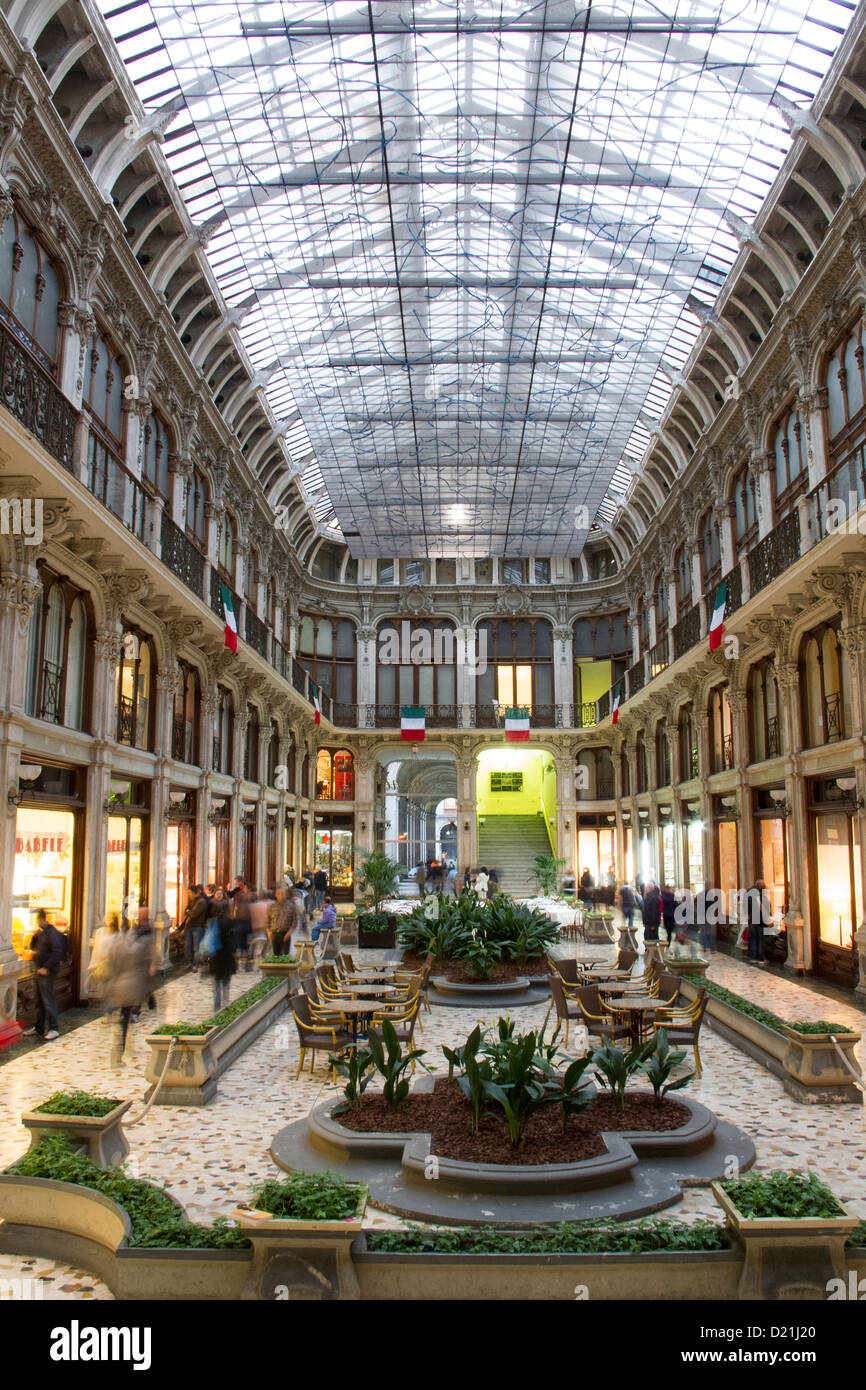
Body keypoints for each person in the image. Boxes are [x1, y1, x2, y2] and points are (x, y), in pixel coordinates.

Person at [107, 917, 153, 1065]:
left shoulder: (118, 944)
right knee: (125, 1019)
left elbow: (111, 962)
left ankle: (118, 1050)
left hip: (119, 985)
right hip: (130, 986)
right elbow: (142, 965)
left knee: (122, 1018)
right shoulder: (137, 946)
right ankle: (118, 1051)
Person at [23, 910, 65, 1041]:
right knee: (39, 1001)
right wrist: (34, 938)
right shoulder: (41, 933)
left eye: (37, 920)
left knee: (48, 1000)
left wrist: (46, 967)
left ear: (42, 919)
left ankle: (54, 1028)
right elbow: (36, 949)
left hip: (46, 972)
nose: (37, 923)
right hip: (38, 970)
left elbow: (57, 952)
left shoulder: (52, 933)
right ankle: (39, 1027)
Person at [88, 914, 120, 1022]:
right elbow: (97, 949)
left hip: (114, 965)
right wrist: (93, 965)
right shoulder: (100, 932)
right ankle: (108, 1011)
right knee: (105, 990)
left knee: (111, 989)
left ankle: (110, 1011)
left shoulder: (118, 934)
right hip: (103, 965)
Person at [208, 895, 237, 1010]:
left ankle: (216, 1004)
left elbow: (208, 941)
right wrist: (235, 954)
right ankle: (225, 1004)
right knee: (225, 982)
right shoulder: (230, 922)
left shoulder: (212, 922)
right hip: (227, 956)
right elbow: (233, 941)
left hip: (215, 956)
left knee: (216, 981)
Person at [182, 884, 210, 973]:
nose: (188, 895)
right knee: (188, 945)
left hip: (198, 927)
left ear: (194, 892)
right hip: (190, 926)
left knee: (196, 947)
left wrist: (188, 911)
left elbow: (194, 914)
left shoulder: (202, 902)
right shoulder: (191, 901)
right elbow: (186, 910)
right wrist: (188, 911)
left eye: (189, 893)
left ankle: (195, 964)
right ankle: (189, 962)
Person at [746, 879, 772, 964]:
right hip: (760, 920)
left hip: (752, 920)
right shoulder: (759, 895)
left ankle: (753, 957)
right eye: (763, 887)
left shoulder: (748, 893)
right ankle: (760, 957)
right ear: (760, 887)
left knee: (753, 938)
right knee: (760, 939)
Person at [231, 876, 253, 969]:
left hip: (245, 922)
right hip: (241, 922)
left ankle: (243, 958)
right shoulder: (238, 894)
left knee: (244, 940)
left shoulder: (250, 899)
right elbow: (229, 896)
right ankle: (242, 957)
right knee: (241, 940)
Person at [267, 886, 296, 956]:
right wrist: (268, 932)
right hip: (274, 933)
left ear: (285, 894)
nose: (280, 895)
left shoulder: (291, 906)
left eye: (282, 894)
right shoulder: (272, 906)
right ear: (276, 895)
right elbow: (268, 920)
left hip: (286, 934)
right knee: (275, 955)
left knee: (285, 955)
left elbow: (295, 922)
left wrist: (289, 933)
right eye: (278, 894)